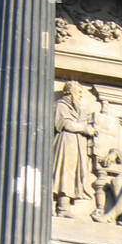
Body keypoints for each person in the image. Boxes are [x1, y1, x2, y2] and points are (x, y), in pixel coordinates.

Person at [52, 81, 95, 215]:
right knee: (64, 172)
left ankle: (65, 206)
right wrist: (85, 128)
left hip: (74, 145)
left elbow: (85, 117)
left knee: (70, 174)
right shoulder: (61, 105)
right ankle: (62, 207)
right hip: (65, 144)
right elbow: (65, 123)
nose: (81, 95)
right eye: (79, 92)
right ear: (70, 93)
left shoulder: (73, 109)